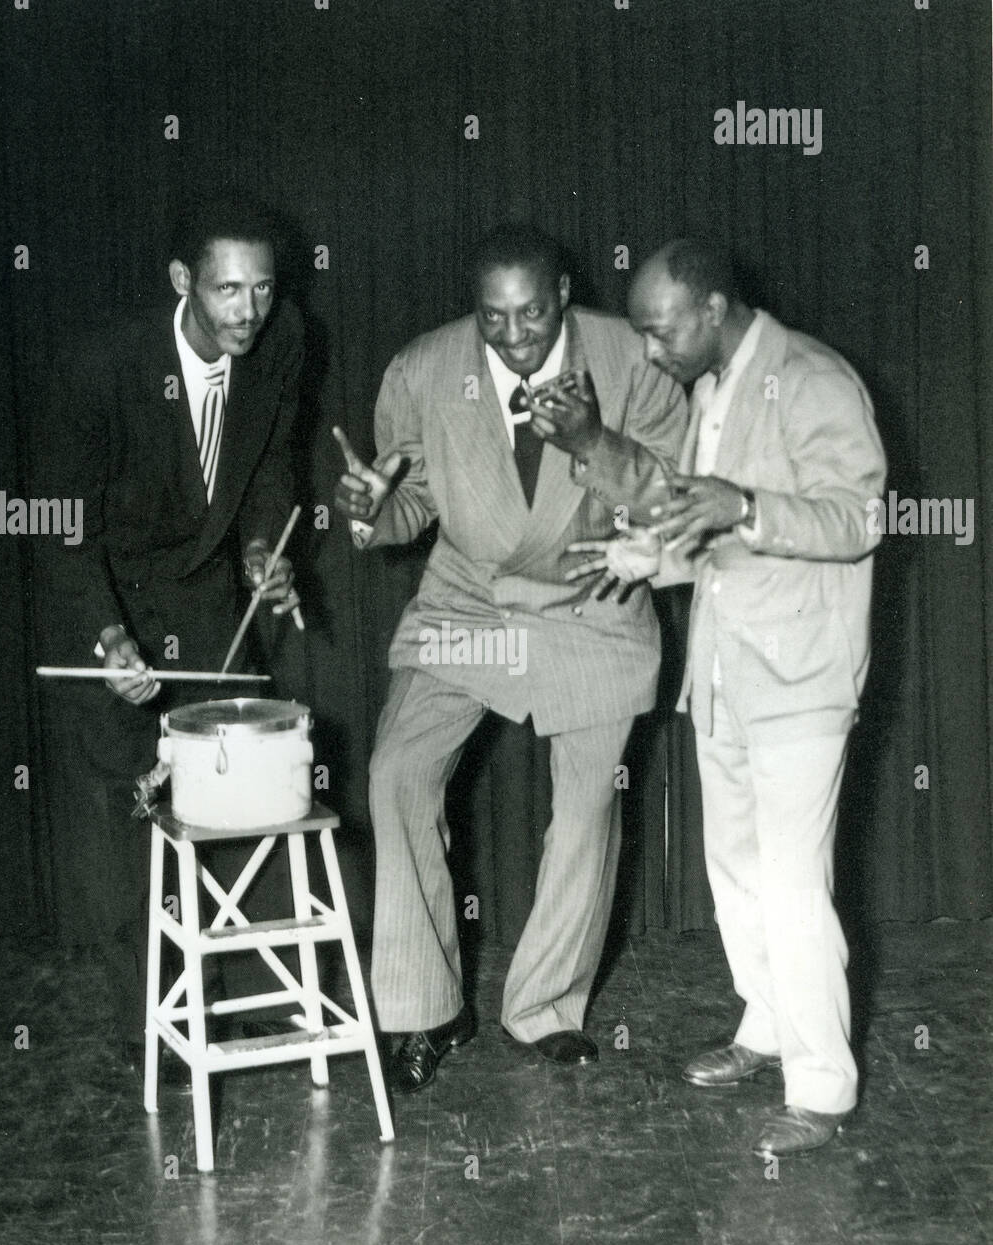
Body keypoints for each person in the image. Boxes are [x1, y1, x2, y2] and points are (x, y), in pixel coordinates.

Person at [331, 224, 686, 1092]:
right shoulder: (422, 368)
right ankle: (425, 1011)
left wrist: (592, 441)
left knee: (586, 808)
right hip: (471, 602)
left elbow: (676, 493)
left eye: (531, 313)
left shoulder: (631, 358)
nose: (515, 335)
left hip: (588, 605)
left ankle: (544, 1008)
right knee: (397, 773)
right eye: (494, 319)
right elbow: (408, 500)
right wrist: (374, 510)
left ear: (563, 293)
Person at [565, 237, 887, 1157]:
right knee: (736, 870)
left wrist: (743, 504)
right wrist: (649, 554)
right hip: (723, 673)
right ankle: (766, 1028)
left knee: (791, 883)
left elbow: (858, 518)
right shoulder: (709, 391)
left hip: (799, 679)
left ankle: (821, 1087)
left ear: (711, 309)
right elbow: (706, 530)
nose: (651, 352)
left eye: (659, 331)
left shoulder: (814, 379)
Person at [35, 192, 305, 1072]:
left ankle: (245, 994)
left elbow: (268, 467)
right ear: (183, 280)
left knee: (238, 797)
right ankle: (148, 1025)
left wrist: (264, 552)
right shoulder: (102, 367)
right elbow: (63, 525)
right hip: (103, 590)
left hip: (203, 598)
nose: (249, 313)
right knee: (125, 817)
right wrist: (106, 636)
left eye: (262, 290)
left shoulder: (283, 341)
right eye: (229, 291)